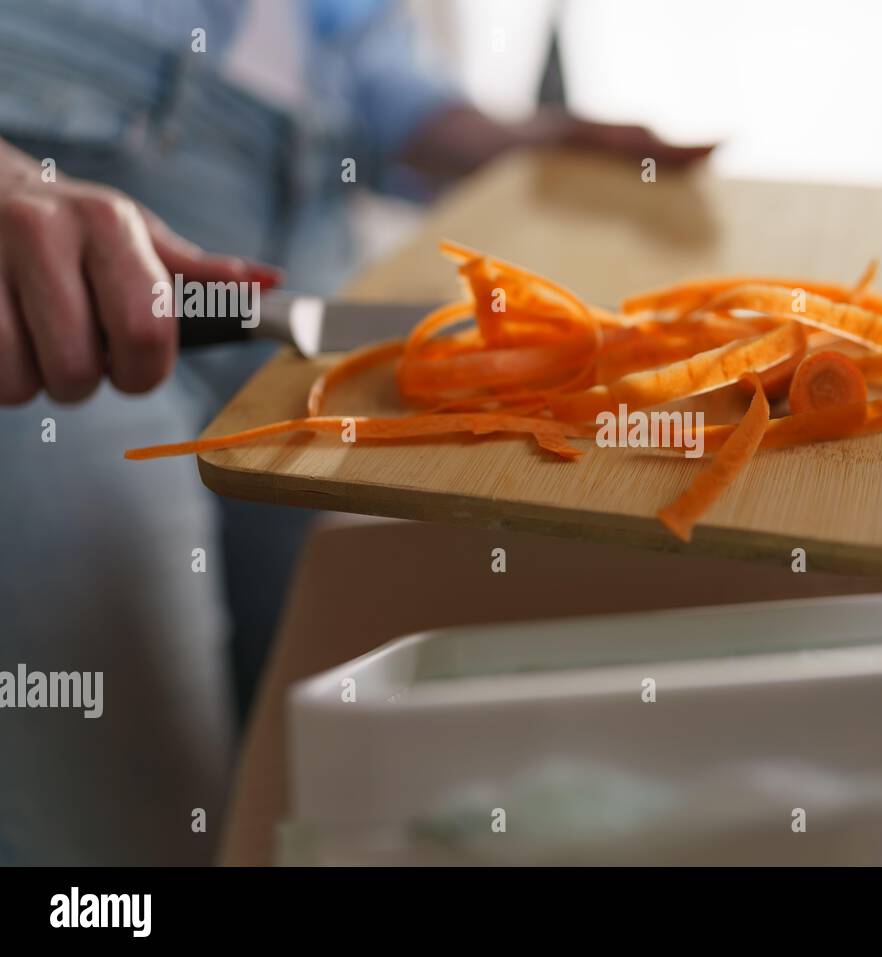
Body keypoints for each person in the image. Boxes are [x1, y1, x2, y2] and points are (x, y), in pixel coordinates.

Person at [0, 0, 709, 865]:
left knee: (318, 776)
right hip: (34, 254)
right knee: (133, 841)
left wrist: (466, 132)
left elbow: (340, 26)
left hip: (298, 233)